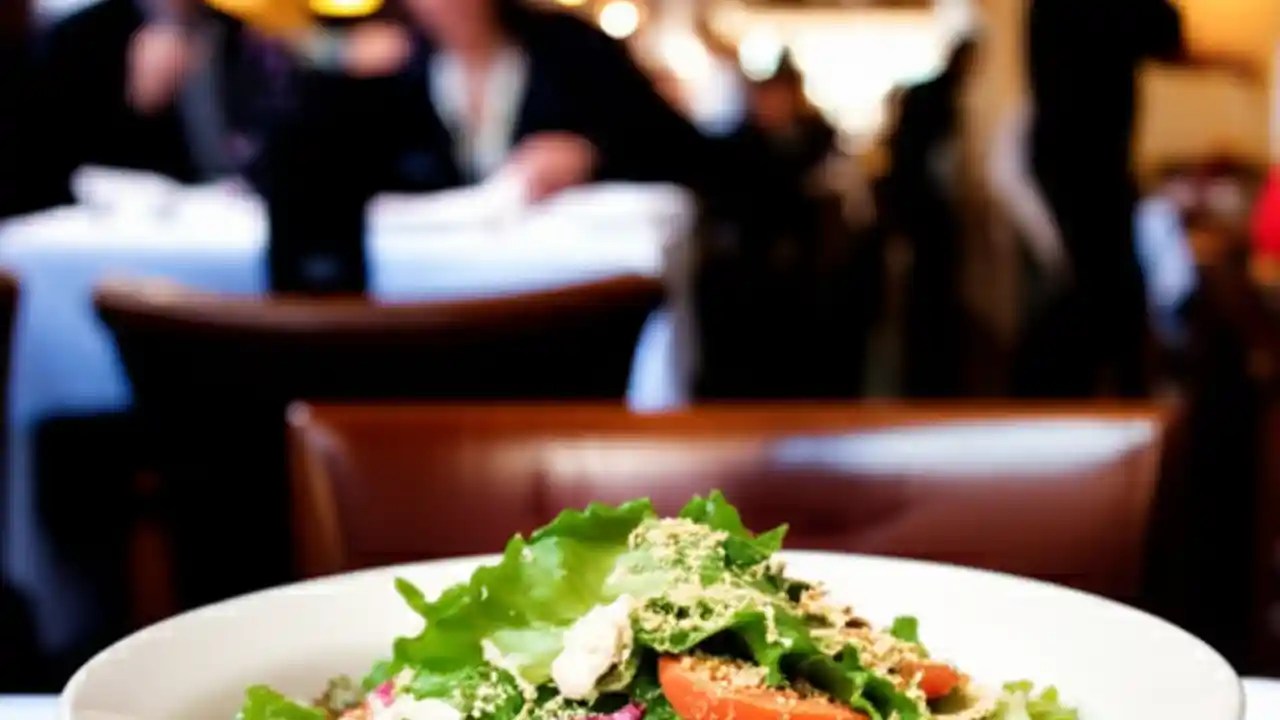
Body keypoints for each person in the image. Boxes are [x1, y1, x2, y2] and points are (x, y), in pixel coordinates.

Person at [261, 0, 714, 293]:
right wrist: (336, 72)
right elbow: (296, 165)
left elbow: (685, 152)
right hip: (439, 305)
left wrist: (592, 153)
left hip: (569, 299)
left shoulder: (574, 51)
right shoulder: (396, 76)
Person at [1020, 0, 1184, 397]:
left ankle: (1084, 408)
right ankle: (1095, 414)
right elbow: (1164, 31)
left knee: (1106, 292)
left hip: (1076, 157)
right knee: (1110, 295)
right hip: (1086, 160)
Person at [886, 38, 977, 398]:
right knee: (928, 309)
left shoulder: (936, 98)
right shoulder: (938, 101)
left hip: (928, 225)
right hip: (928, 226)